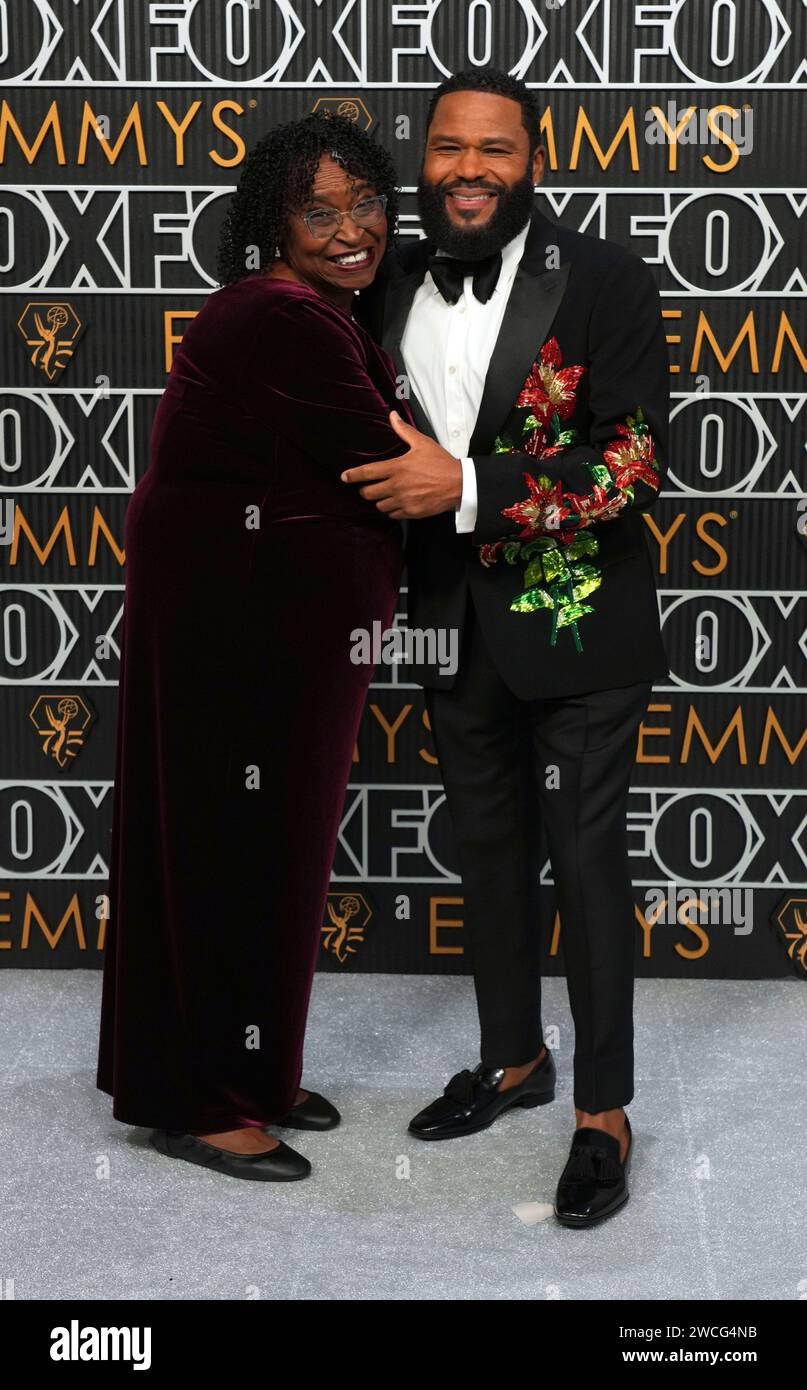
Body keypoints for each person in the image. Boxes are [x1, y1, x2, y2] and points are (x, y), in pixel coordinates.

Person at [350, 69, 671, 1225]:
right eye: (448, 147)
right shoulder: (379, 278)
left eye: (494, 148)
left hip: (580, 621)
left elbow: (633, 462)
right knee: (487, 853)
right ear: (421, 156)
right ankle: (511, 1057)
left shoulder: (607, 278)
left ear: (532, 158)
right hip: (448, 618)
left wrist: (473, 486)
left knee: (584, 866)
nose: (469, 168)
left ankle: (603, 1111)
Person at [96, 113, 419, 1182]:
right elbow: (392, 465)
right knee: (238, 859)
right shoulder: (283, 318)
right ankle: (205, 1100)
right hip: (244, 634)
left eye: (365, 203)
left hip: (275, 625)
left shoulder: (312, 313)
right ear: (270, 225)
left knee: (265, 857)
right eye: (317, 211)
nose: (350, 230)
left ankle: (250, 1070)